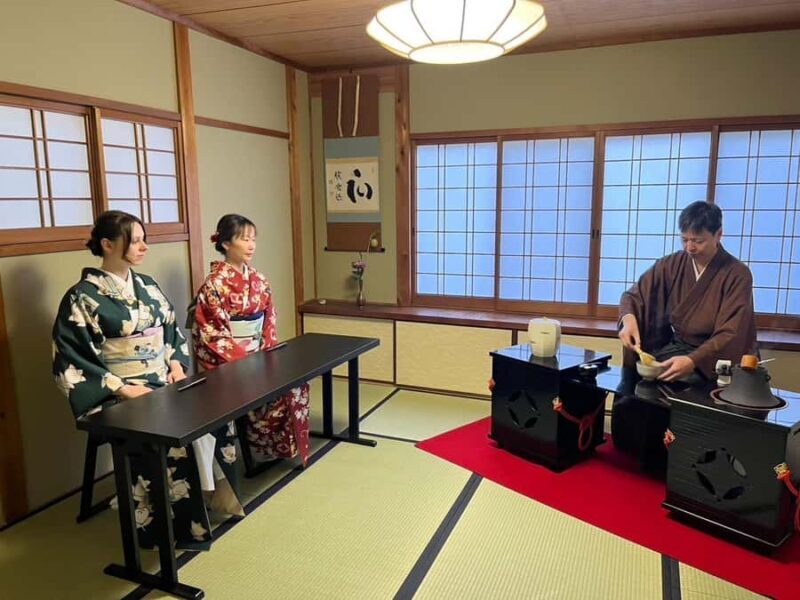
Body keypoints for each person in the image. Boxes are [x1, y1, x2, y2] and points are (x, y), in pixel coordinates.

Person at [52, 210, 240, 551]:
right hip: (118, 393)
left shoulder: (148, 287)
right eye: (135, 241)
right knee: (171, 433)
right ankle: (170, 525)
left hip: (163, 382)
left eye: (143, 240)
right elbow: (72, 359)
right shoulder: (81, 298)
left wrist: (176, 364)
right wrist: (121, 388)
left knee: (216, 417)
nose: (143, 247)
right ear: (107, 245)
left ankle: (210, 500)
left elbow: (171, 334)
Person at [613, 201, 758, 470]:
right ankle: (642, 453)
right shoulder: (674, 263)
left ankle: (684, 466)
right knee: (645, 382)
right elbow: (634, 295)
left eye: (698, 241)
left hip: (718, 358)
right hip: (680, 348)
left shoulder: (737, 274)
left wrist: (693, 361)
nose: (690, 248)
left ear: (718, 235)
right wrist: (629, 318)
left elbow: (731, 332)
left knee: (684, 393)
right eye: (685, 239)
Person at [192, 214, 310, 467]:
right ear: (225, 243)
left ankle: (274, 449)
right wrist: (245, 363)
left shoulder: (259, 279)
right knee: (262, 389)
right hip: (229, 361)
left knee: (294, 385)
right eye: (245, 239)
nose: (251, 245)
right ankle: (257, 446)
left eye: (253, 239)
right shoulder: (214, 285)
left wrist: (267, 356)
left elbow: (269, 319)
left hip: (260, 354)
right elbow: (212, 333)